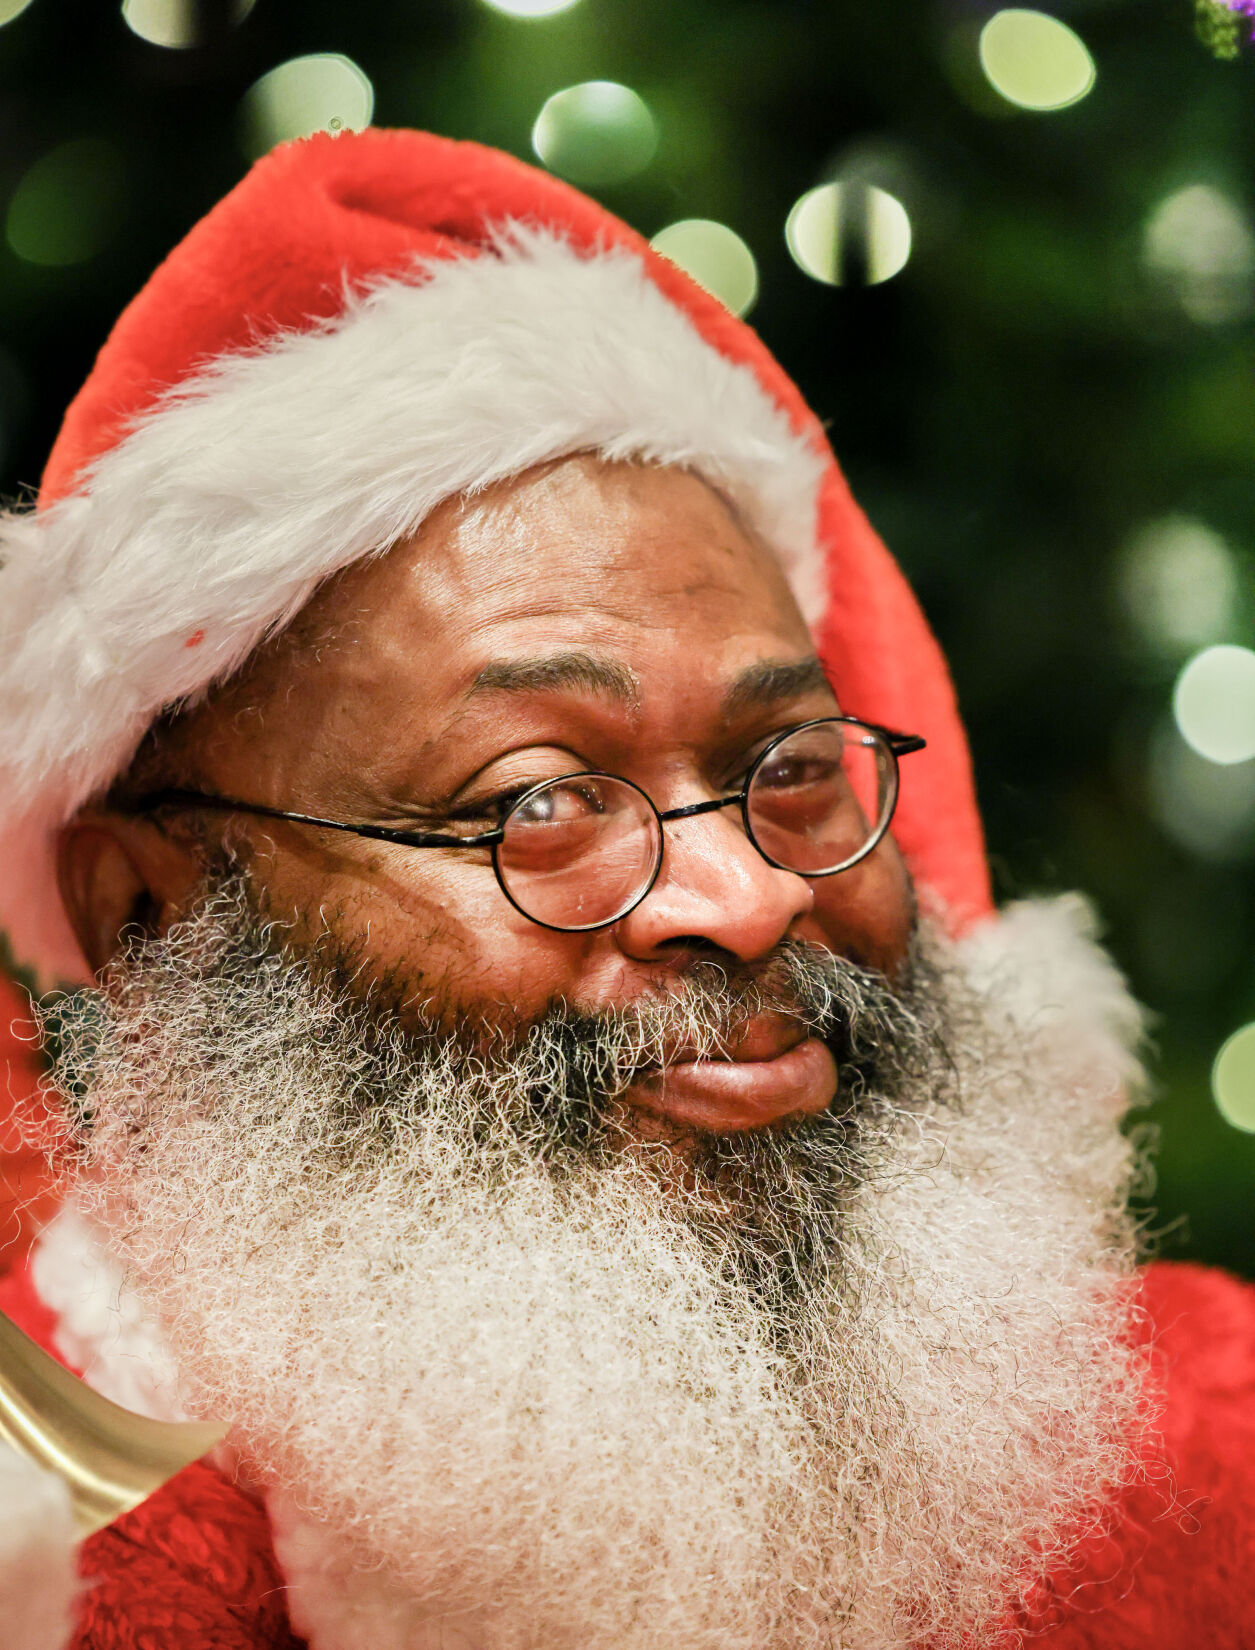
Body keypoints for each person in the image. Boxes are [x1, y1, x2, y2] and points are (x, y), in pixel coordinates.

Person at [0, 127, 1250, 1650]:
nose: (744, 893)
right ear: (153, 920)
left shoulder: (1205, 1446)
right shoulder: (68, 1573)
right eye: (539, 802)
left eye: (791, 765)